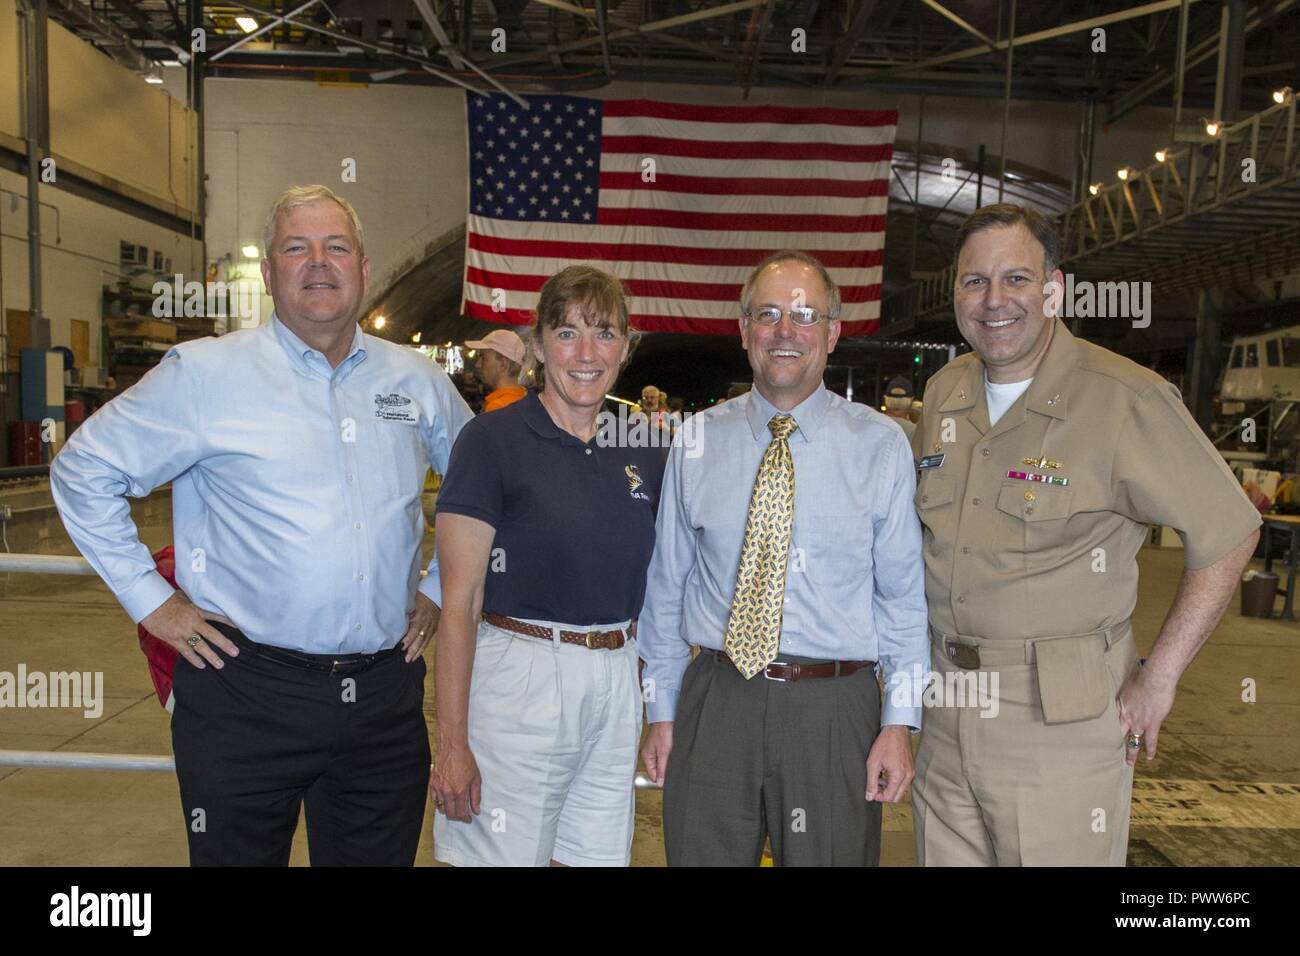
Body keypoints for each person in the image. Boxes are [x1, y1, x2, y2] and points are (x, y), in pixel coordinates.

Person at [50, 184, 473, 866]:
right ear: (270, 273)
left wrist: (436, 582)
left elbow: (482, 490)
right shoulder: (206, 375)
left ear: (363, 269)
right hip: (243, 693)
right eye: (295, 248)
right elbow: (82, 471)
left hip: (384, 697)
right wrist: (152, 603)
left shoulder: (417, 382)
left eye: (336, 247)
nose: (318, 263)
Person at [911, 203, 1261, 866]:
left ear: (1055, 289)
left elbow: (1231, 530)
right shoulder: (944, 393)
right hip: (947, 708)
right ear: (954, 292)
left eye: (1016, 279)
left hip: (1059, 723)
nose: (994, 301)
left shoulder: (1124, 398)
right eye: (974, 281)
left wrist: (1161, 677)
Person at [638, 250, 928, 866]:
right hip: (717, 701)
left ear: (832, 330)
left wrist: (899, 723)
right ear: (745, 332)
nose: (785, 331)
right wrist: (661, 712)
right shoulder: (695, 442)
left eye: (804, 314)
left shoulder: (880, 447)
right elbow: (665, 590)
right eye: (767, 314)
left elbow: (903, 601)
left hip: (834, 708)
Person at [430, 265, 669, 867]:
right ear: (537, 345)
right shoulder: (491, 442)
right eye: (567, 334)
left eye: (605, 334)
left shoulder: (643, 445)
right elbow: (458, 604)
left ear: (626, 348)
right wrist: (452, 744)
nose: (586, 354)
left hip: (617, 676)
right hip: (521, 678)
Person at [465, 328, 527, 412]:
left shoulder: (497, 408)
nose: (478, 365)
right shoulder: (525, 400)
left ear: (503, 364)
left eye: (483, 358)